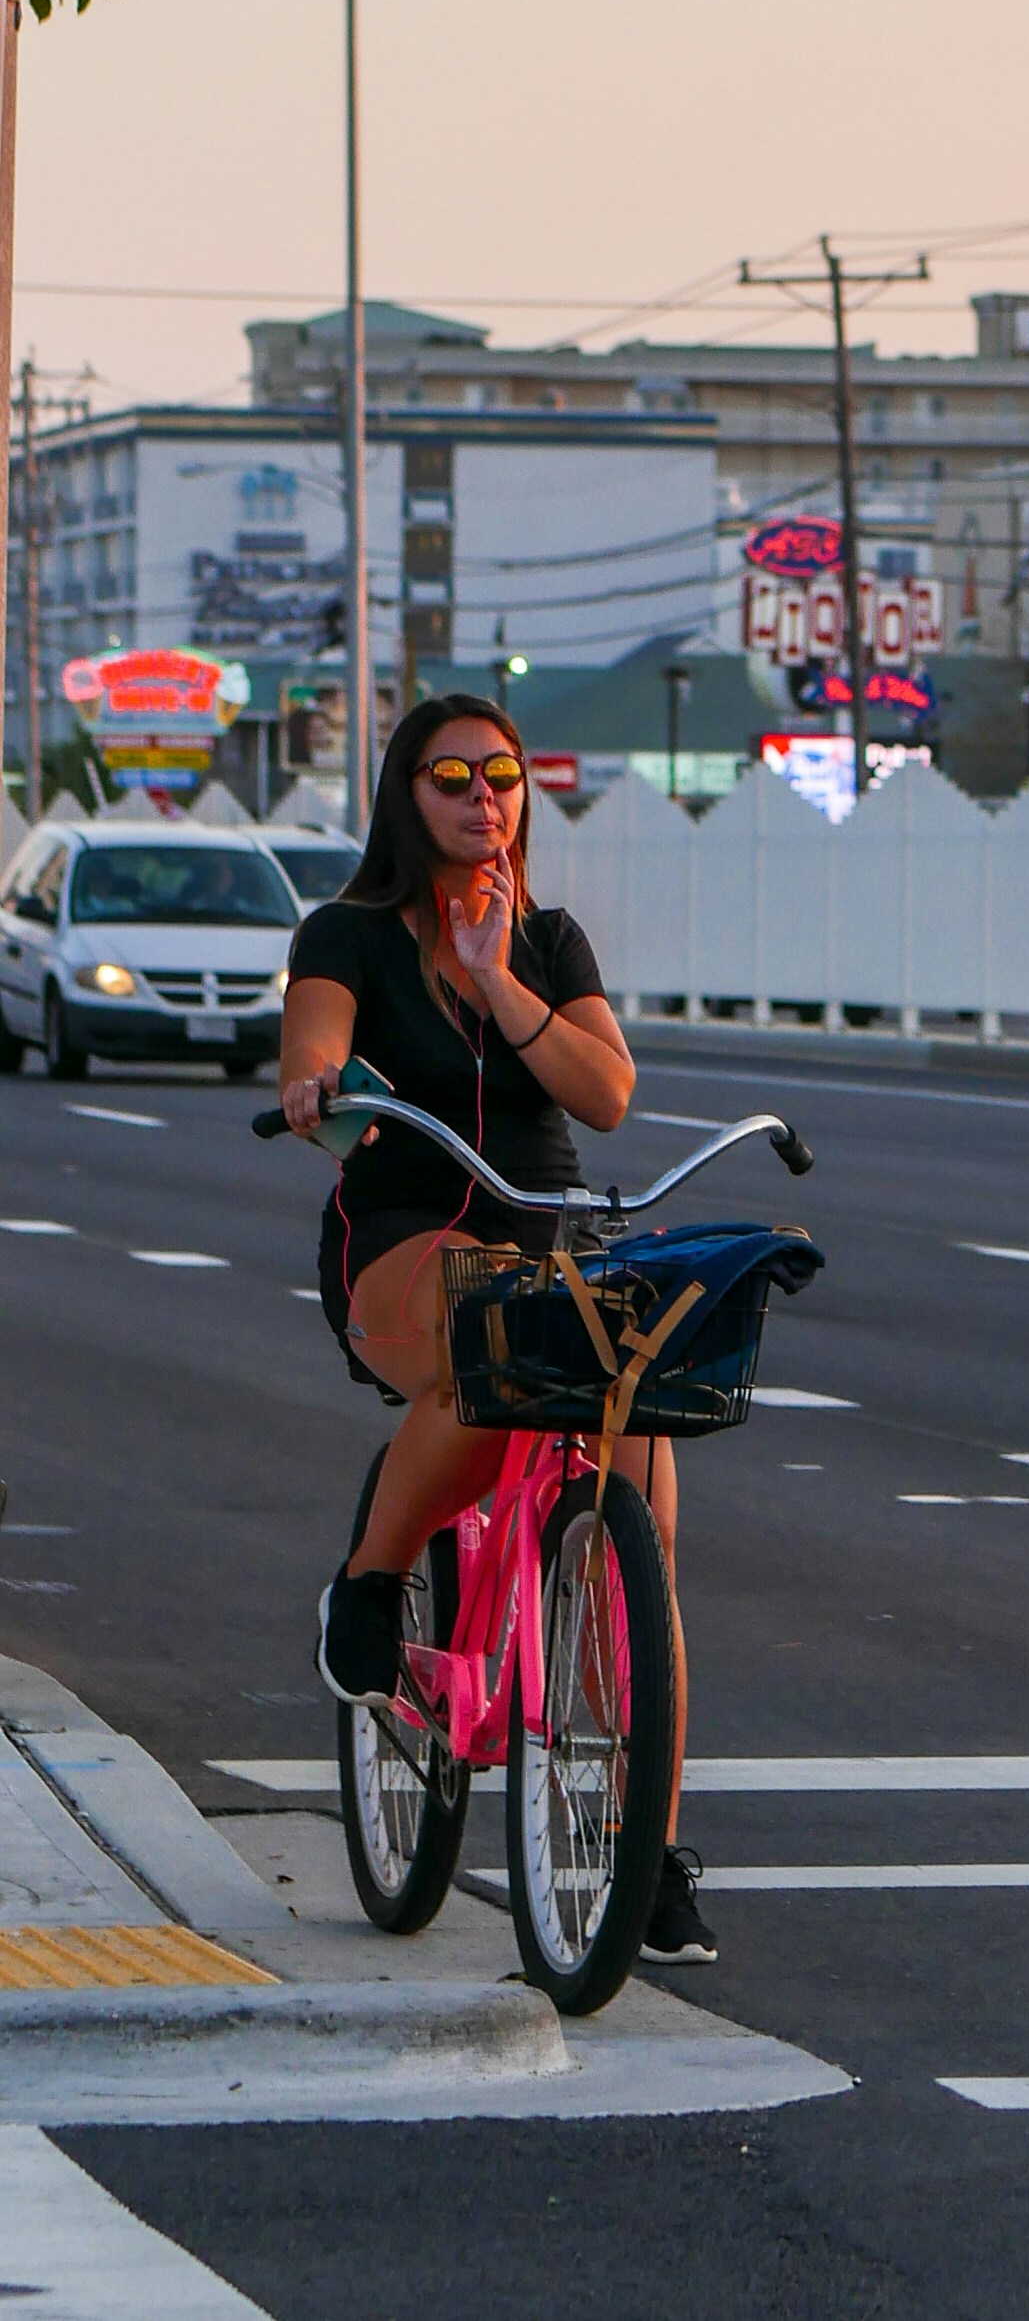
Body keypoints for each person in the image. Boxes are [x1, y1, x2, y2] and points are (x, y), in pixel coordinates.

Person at [280, 692, 715, 1966]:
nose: (484, 797)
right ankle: (370, 1584)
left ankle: (653, 1847)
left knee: (646, 1485)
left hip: (553, 1235)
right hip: (406, 1236)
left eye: (505, 775)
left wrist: (494, 979)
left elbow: (610, 1091)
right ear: (403, 796)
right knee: (482, 1342)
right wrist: (316, 1087)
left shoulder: (550, 938)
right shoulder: (347, 932)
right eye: (452, 775)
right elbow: (312, 1051)